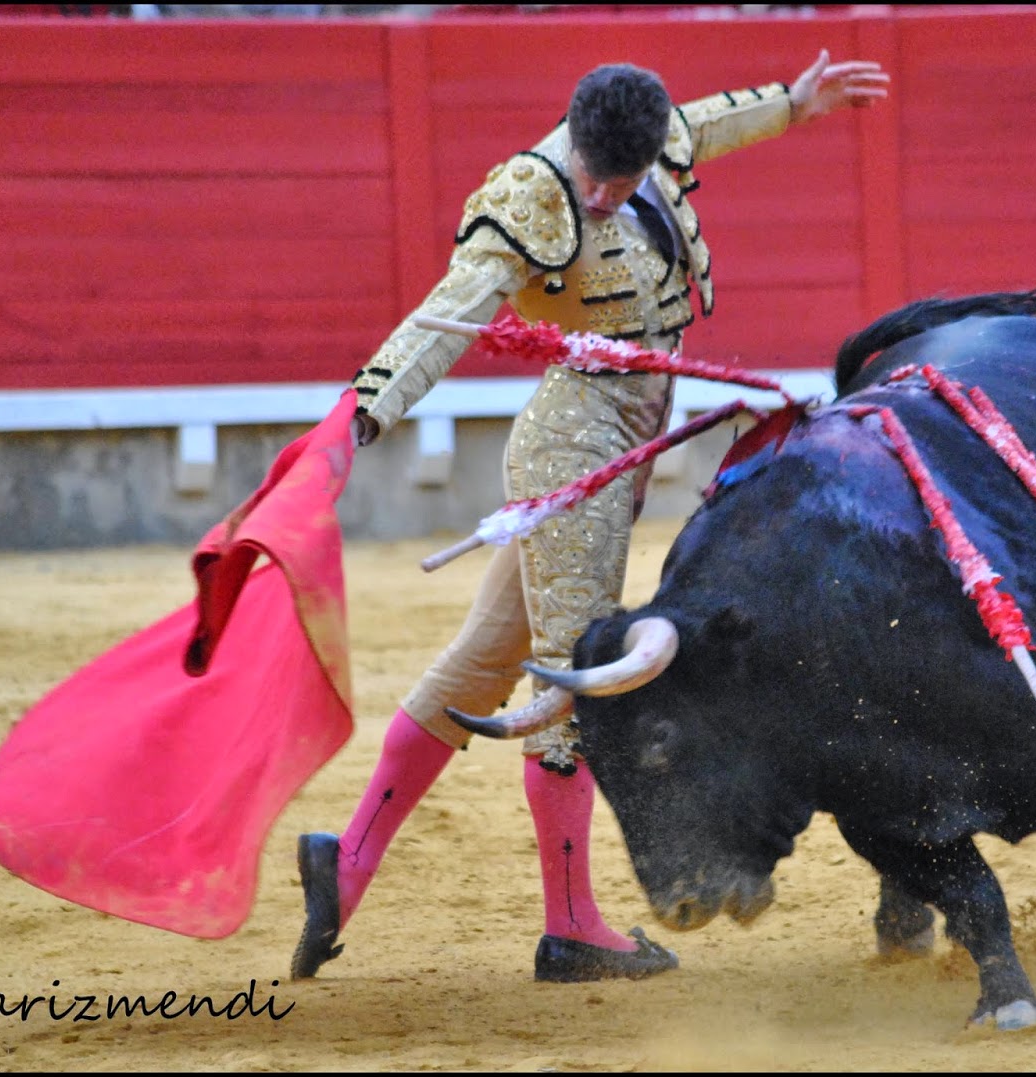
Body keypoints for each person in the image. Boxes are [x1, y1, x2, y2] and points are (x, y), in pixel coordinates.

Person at [292, 49, 890, 984]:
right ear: (573, 141)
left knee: (485, 663)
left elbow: (712, 121)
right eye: (595, 174)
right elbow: (444, 316)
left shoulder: (654, 144)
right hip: (573, 445)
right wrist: (359, 412)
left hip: (627, 440)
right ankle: (572, 926)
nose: (607, 193)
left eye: (624, 176)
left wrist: (797, 104)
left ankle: (349, 861)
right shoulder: (532, 195)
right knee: (574, 687)